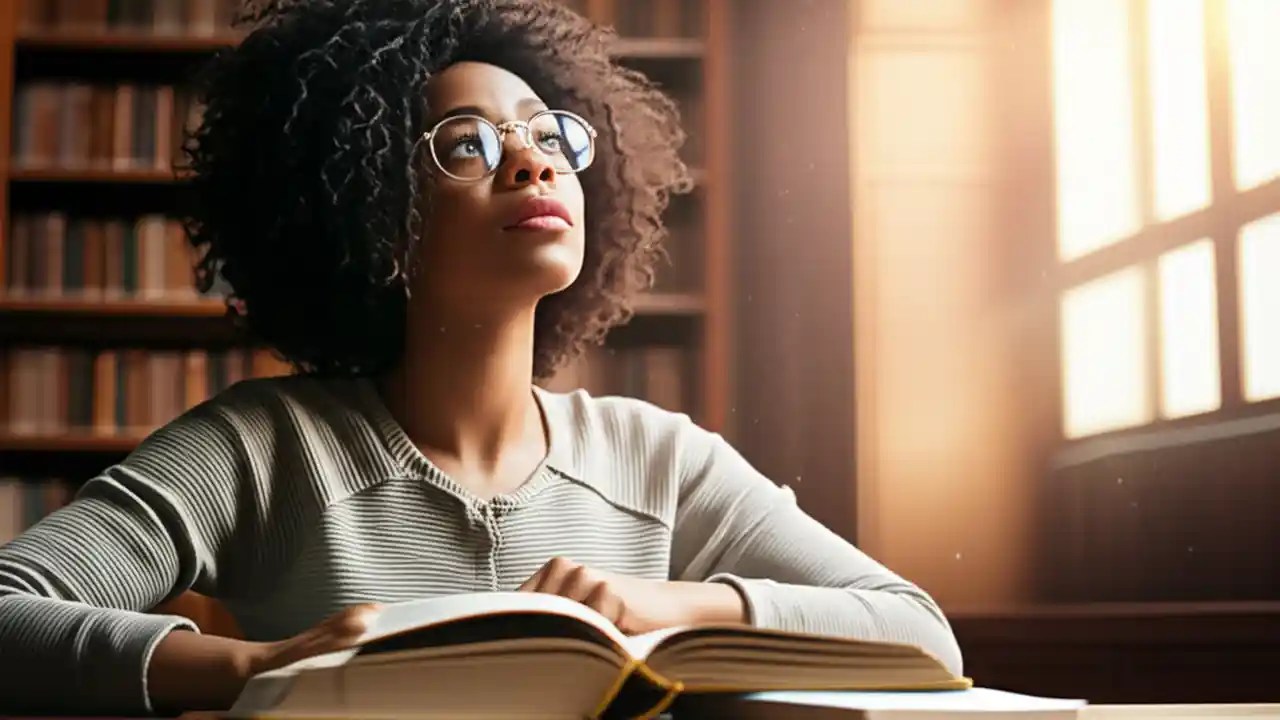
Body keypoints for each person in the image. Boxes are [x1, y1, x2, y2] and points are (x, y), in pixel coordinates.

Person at [0, 0, 962, 714]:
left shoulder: (662, 460)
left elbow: (917, 627)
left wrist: (666, 601)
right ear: (374, 214)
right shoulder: (265, 446)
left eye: (550, 136)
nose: (533, 161)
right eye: (466, 143)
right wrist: (254, 669)